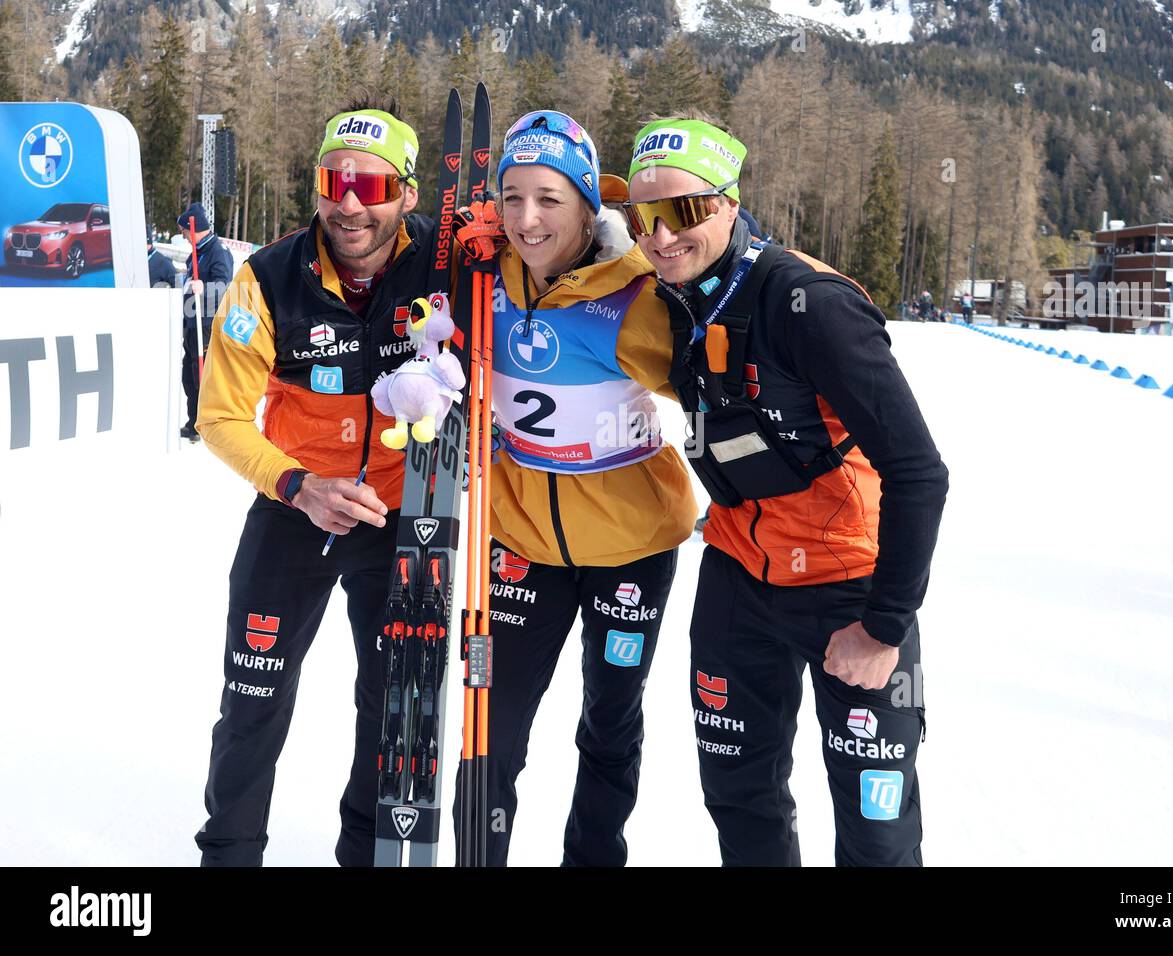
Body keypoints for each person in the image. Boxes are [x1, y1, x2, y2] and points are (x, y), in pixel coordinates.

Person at [626, 115, 948, 866]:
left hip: (850, 587)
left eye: (685, 211)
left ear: (731, 205)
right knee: (742, 800)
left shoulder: (809, 303)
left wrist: (885, 627)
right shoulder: (665, 294)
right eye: (644, 218)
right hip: (740, 579)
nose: (662, 236)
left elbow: (918, 471)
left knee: (876, 829)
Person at [193, 95, 461, 866]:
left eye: (371, 187)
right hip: (293, 510)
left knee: (389, 707)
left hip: (399, 516)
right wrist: (297, 485)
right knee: (252, 703)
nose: (348, 202)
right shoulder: (267, 277)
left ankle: (366, 854)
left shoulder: (443, 269)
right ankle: (229, 854)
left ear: (408, 194)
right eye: (333, 180)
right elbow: (220, 417)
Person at [449, 110, 696, 865]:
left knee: (609, 721)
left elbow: (718, 383)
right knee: (493, 727)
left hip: (632, 547)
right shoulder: (481, 273)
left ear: (590, 203)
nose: (528, 218)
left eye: (549, 199)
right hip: (520, 541)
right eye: (513, 196)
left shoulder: (639, 295)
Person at [177, 202, 234, 442]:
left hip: (207, 324)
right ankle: (195, 422)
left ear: (194, 229)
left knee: (204, 376)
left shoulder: (217, 252)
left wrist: (205, 288)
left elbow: (224, 285)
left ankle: (210, 424)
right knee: (189, 376)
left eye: (184, 232)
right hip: (193, 322)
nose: (183, 236)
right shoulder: (196, 253)